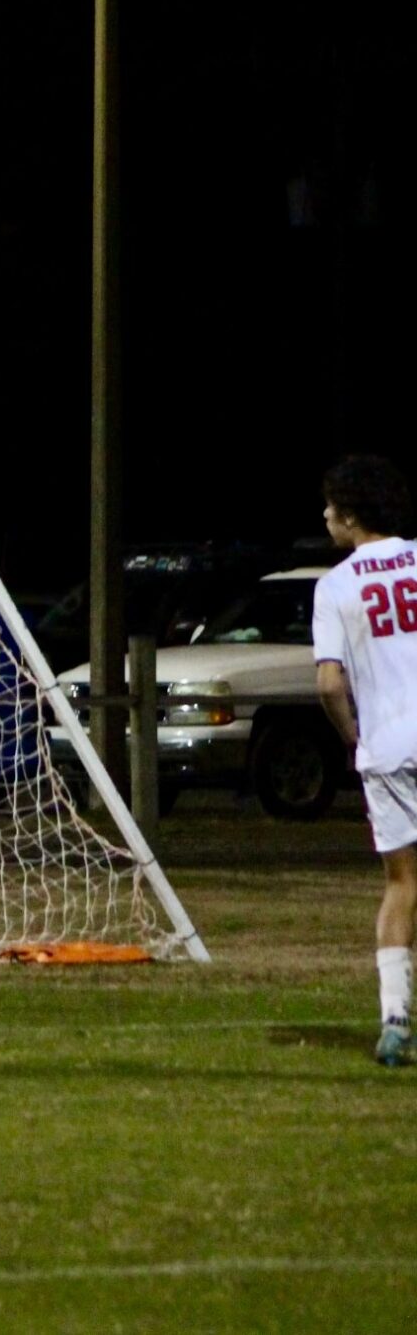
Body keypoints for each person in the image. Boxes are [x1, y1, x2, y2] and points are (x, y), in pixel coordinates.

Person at [310, 455, 417, 1067]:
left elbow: (329, 684)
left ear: (349, 515)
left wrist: (355, 736)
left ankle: (396, 1022)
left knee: (403, 885)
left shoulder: (337, 586)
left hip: (390, 749)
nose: (325, 517)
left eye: (329, 508)